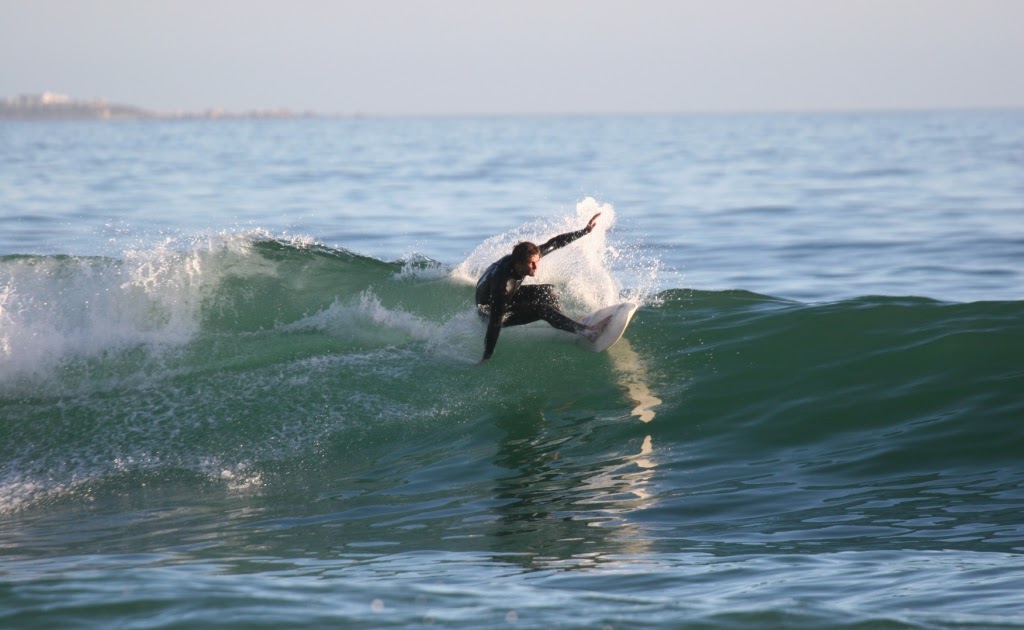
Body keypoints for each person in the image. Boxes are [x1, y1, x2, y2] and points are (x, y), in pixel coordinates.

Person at [476, 213, 606, 362]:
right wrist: (486, 355)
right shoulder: (503, 286)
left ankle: (564, 324)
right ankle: (587, 332)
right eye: (532, 264)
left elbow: (555, 242)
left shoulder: (527, 256)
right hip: (489, 311)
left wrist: (585, 231)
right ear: (518, 265)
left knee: (549, 290)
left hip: (507, 297)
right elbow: (494, 323)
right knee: (542, 310)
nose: (536, 266)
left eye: (537, 261)